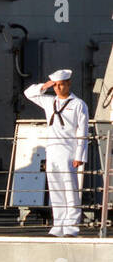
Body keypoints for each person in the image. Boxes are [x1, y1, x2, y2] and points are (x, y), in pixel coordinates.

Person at [24, 69, 89, 237]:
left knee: (70, 189)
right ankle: (58, 225)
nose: (58, 88)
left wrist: (79, 156)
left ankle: (72, 226)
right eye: (56, 86)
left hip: (69, 150)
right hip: (52, 150)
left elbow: (82, 131)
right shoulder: (49, 101)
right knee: (55, 190)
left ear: (68, 84)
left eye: (61, 85)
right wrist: (46, 85)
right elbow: (28, 93)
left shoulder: (78, 104)